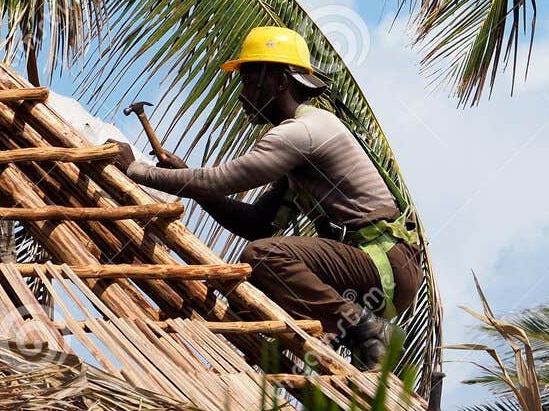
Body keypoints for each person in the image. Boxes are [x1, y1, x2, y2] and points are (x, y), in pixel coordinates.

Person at [116, 26, 422, 370]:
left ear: (278, 81)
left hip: (382, 262)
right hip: (383, 269)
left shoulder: (303, 132)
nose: (242, 95)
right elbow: (257, 223)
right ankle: (322, 377)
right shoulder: (302, 148)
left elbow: (221, 180)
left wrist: (137, 172)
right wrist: (190, 179)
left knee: (262, 259)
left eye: (248, 82)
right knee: (258, 281)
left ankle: (366, 331)